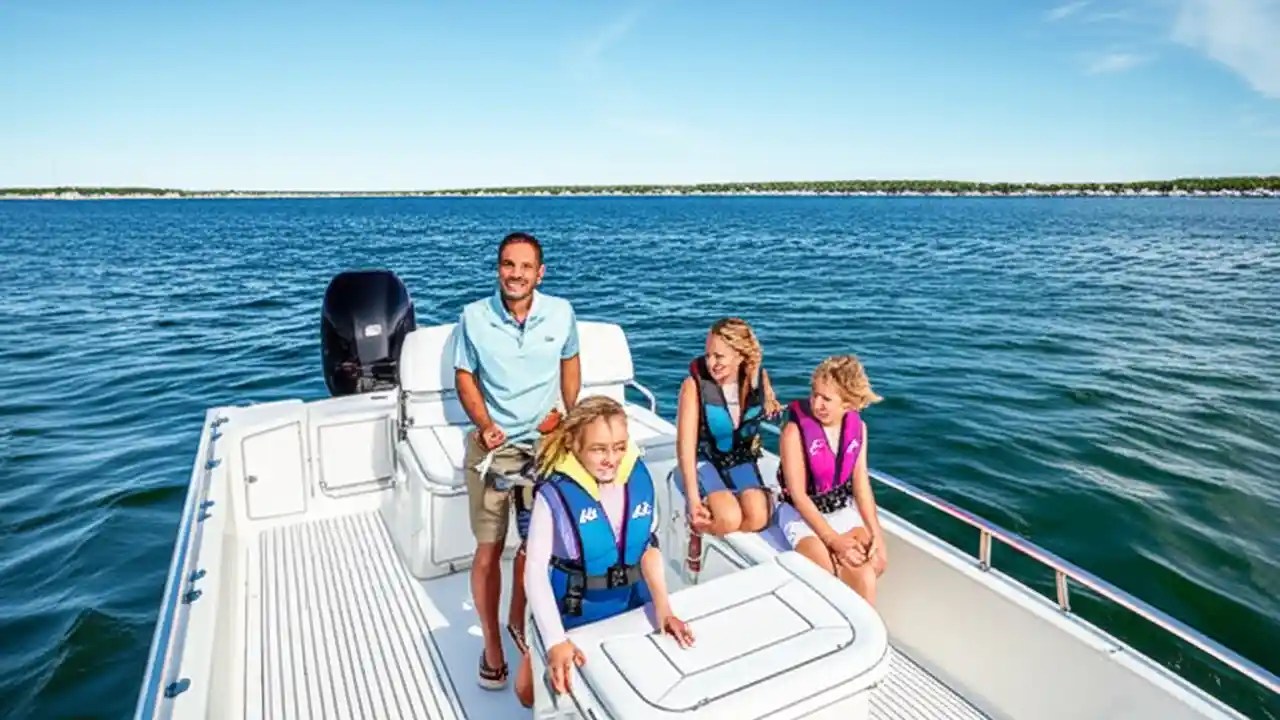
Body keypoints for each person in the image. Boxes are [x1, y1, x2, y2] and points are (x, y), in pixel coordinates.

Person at [454, 232, 582, 690]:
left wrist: (568, 418)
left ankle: (516, 620)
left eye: (526, 267)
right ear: (498, 269)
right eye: (508, 265)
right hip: (495, 447)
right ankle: (491, 646)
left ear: (540, 273)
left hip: (544, 445)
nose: (516, 274)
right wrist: (485, 423)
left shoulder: (561, 313)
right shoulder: (473, 317)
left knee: (536, 547)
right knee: (489, 550)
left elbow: (570, 362)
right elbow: (464, 377)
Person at [515, 396, 694, 708]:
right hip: (575, 609)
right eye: (599, 449)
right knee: (527, 694)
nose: (612, 458)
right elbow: (534, 572)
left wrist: (665, 609)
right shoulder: (552, 496)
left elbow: (648, 547)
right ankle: (531, 644)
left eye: (619, 447)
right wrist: (556, 641)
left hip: (633, 601)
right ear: (573, 444)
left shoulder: (637, 478)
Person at [776, 355, 888, 604]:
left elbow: (861, 485)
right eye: (814, 394)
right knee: (824, 574)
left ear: (848, 403)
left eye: (826, 398)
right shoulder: (793, 432)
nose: (817, 403)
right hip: (801, 514)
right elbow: (798, 495)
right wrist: (832, 541)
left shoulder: (859, 430)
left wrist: (876, 535)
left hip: (840, 509)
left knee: (866, 572)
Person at [676, 318, 782, 539]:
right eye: (708, 356)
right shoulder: (693, 386)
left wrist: (770, 401)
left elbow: (767, 397)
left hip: (739, 458)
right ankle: (697, 532)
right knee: (729, 517)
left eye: (719, 356)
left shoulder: (758, 378)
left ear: (740, 356)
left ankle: (725, 528)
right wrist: (694, 500)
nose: (712, 363)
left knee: (759, 517)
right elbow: (685, 448)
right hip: (705, 460)